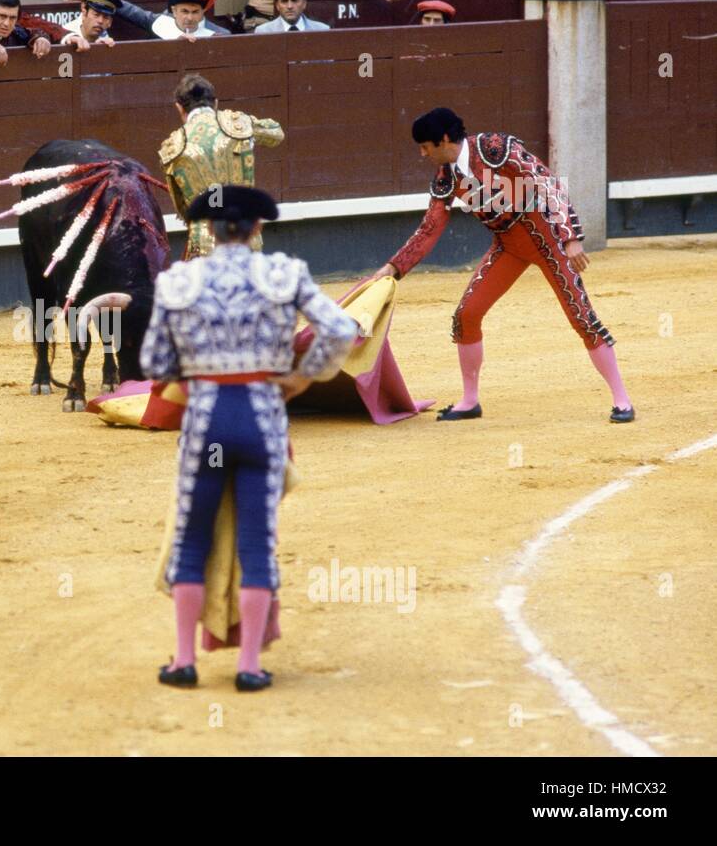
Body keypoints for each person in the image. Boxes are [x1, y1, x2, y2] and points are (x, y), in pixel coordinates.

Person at [142, 184, 358, 692]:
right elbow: (341, 329)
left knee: (191, 540)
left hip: (207, 423)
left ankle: (183, 661)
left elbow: (153, 362)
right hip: (262, 418)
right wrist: (305, 376)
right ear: (258, 227)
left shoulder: (181, 280)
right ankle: (249, 668)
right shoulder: (284, 274)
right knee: (258, 543)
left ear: (208, 230)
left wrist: (195, 367)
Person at [370, 108, 635, 423]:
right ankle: (470, 401)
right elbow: (430, 229)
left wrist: (570, 237)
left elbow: (546, 183)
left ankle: (622, 400)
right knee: (466, 316)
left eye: (426, 146)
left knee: (581, 317)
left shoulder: (496, 149)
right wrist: (393, 268)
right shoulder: (447, 177)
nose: (422, 153)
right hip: (508, 246)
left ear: (443, 139)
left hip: (548, 240)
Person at [160, 74, 283, 259]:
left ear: (179, 108)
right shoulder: (238, 124)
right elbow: (277, 134)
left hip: (204, 241)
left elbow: (182, 208)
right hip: (247, 234)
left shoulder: (173, 146)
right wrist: (247, 128)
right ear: (216, 103)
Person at [115, 0, 228, 41]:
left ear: (203, 12)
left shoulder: (220, 35)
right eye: (184, 11)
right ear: (174, 11)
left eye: (195, 12)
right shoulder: (161, 22)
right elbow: (133, 12)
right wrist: (110, 0)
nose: (189, 17)